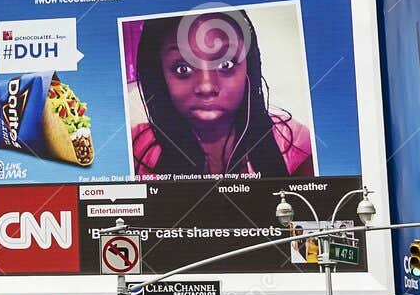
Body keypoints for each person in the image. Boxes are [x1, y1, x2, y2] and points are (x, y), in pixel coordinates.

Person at [130, 10, 314, 178]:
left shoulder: (292, 142)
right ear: (160, 75)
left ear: (248, 68)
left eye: (225, 64)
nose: (206, 86)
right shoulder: (135, 148)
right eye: (182, 68)